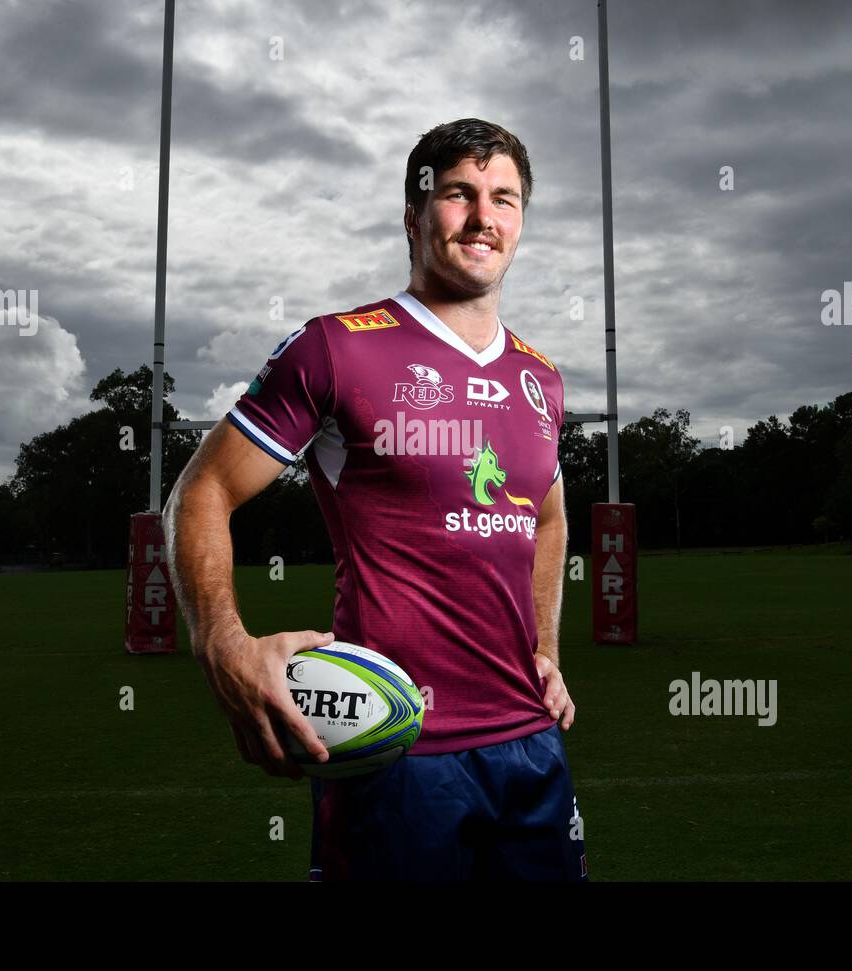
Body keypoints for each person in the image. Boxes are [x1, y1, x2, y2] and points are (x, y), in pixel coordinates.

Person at [164, 117, 586, 881]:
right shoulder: (338, 347)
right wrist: (220, 641)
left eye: (505, 199)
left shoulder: (541, 377)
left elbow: (549, 515)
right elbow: (203, 491)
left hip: (531, 744)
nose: (484, 218)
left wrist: (547, 649)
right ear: (414, 214)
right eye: (459, 194)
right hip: (394, 756)